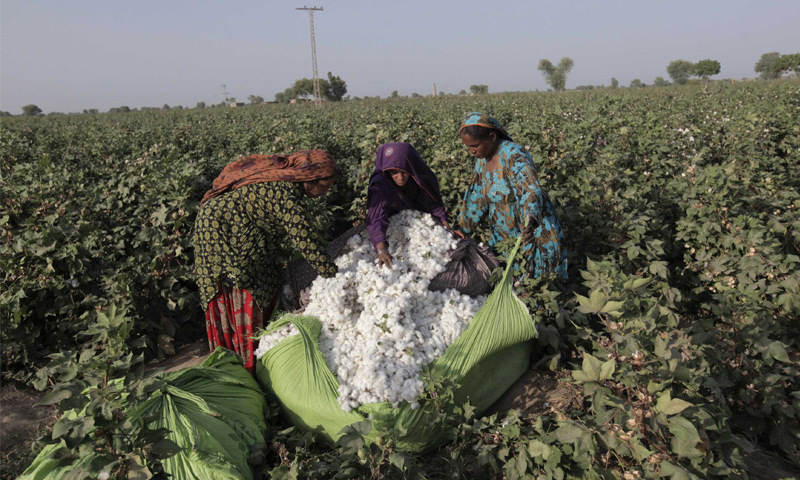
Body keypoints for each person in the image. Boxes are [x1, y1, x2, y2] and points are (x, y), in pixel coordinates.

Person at [193, 150, 338, 372]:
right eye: (326, 186)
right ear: (311, 180)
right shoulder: (286, 193)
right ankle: (245, 363)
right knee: (249, 284)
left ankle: (250, 357)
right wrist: (333, 275)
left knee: (266, 278)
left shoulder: (287, 185)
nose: (327, 191)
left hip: (228, 225)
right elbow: (305, 240)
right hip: (221, 230)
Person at [454, 112, 568, 282]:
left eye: (475, 145)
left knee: (532, 280)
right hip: (502, 232)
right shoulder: (482, 159)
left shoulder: (514, 154)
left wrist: (529, 222)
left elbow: (529, 190)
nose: (471, 151)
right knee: (507, 278)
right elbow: (476, 197)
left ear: (492, 137)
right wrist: (462, 228)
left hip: (529, 230)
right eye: (468, 146)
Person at [366, 142, 453, 268]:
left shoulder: (419, 177)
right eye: (394, 172)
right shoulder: (381, 185)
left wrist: (445, 227)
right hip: (389, 226)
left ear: (411, 168)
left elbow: (432, 203)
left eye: (404, 172)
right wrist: (381, 249)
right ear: (386, 170)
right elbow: (376, 218)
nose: (400, 177)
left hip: (419, 224)